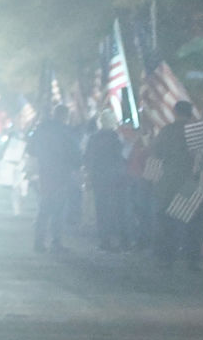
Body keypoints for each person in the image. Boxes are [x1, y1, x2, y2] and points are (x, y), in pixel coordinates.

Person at [152, 99, 201, 269]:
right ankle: (192, 259)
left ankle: (166, 257)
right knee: (192, 221)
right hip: (191, 181)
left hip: (169, 181)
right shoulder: (197, 132)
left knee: (167, 220)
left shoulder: (167, 131)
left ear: (175, 112)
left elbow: (156, 153)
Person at [26, 105, 80, 253]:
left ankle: (39, 241)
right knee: (58, 208)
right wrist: (76, 166)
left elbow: (30, 149)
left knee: (44, 207)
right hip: (62, 173)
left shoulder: (41, 129)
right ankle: (56, 242)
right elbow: (75, 152)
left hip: (44, 172)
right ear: (64, 116)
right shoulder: (66, 132)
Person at [84, 111, 128, 250]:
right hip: (116, 178)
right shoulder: (118, 138)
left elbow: (88, 159)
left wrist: (90, 175)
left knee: (102, 210)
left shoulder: (94, 138)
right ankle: (123, 241)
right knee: (119, 210)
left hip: (99, 178)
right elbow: (123, 157)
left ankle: (105, 241)